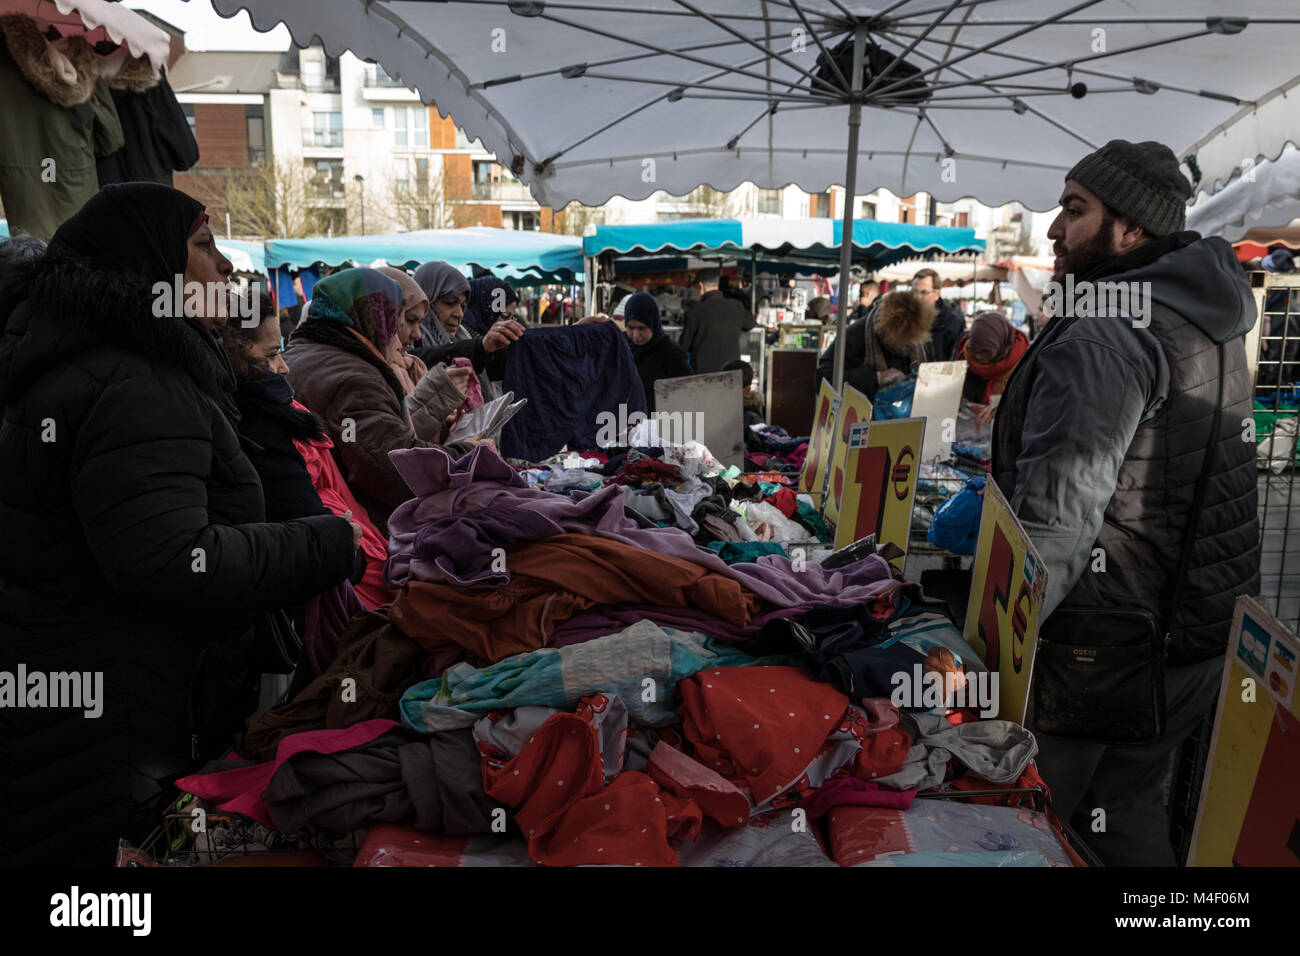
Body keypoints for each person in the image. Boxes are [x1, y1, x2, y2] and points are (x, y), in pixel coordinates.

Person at [0, 183, 360, 865]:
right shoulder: (133, 378)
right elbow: (169, 560)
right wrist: (324, 544)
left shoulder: (90, 360)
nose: (225, 266)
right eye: (202, 245)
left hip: (72, 694)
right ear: (151, 262)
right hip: (110, 719)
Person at [992, 139, 1261, 866]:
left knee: (1031, 827)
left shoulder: (1108, 330)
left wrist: (991, 651)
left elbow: (1058, 520)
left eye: (1075, 210)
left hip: (1106, 648)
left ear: (1132, 229)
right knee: (1128, 821)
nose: (1054, 229)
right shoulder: (1204, 314)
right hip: (1195, 634)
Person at [284, 267, 476, 531]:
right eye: (401, 319)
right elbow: (394, 467)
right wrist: (469, 456)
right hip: (361, 534)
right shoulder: (356, 377)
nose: (414, 335)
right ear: (376, 316)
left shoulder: (297, 354)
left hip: (317, 524)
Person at [409, 261, 524, 374]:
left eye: (463, 306)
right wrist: (480, 347)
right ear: (427, 302)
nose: (459, 314)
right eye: (450, 303)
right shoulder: (404, 341)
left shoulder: (462, 336)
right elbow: (418, 359)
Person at [953, 309, 1029, 423]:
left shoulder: (1024, 363)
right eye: (976, 352)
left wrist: (1002, 405)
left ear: (1002, 346)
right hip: (967, 429)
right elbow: (954, 386)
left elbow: (1032, 401)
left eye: (986, 353)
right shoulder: (964, 353)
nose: (980, 358)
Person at [623, 292, 692, 413]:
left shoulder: (671, 354)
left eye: (641, 328)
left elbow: (687, 394)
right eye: (630, 328)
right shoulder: (622, 347)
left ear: (653, 324)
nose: (635, 335)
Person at [679, 267, 756, 373]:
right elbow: (751, 324)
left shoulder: (695, 310)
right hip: (730, 373)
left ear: (701, 286)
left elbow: (683, 346)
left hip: (703, 375)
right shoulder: (736, 306)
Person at [911, 267, 965, 361]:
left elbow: (954, 361)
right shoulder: (906, 316)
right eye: (914, 292)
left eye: (923, 292)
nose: (917, 297)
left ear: (937, 293)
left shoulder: (952, 321)